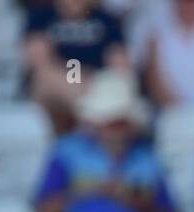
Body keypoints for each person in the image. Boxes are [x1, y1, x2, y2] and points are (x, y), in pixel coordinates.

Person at [33, 70, 177, 212]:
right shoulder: (67, 152)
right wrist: (92, 193)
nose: (114, 131)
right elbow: (44, 211)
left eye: (119, 122)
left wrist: (137, 203)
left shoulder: (148, 159)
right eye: (108, 122)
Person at [23, 0, 131, 132]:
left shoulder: (106, 20)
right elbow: (39, 63)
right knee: (46, 78)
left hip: (94, 85)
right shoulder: (41, 18)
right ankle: (88, 114)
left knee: (118, 87)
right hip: (54, 91)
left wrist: (90, 82)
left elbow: (120, 65)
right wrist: (76, 87)